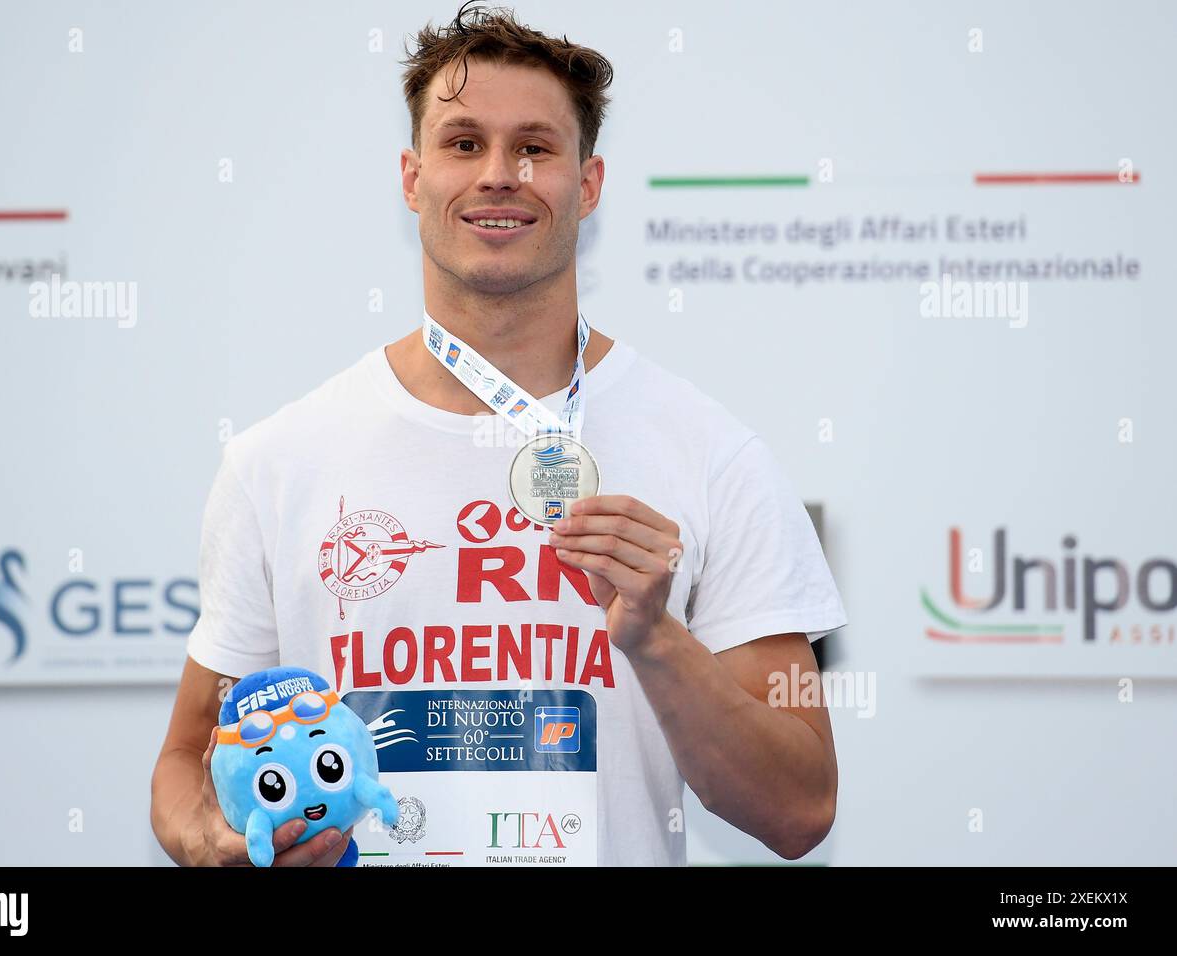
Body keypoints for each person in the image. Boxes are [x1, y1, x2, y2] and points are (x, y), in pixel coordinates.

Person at [151, 1, 848, 867]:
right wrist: (215, 842)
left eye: (537, 147)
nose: (500, 175)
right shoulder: (277, 461)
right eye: (463, 143)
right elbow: (186, 761)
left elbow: (801, 808)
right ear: (412, 178)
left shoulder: (710, 454)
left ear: (587, 185)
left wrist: (655, 639)